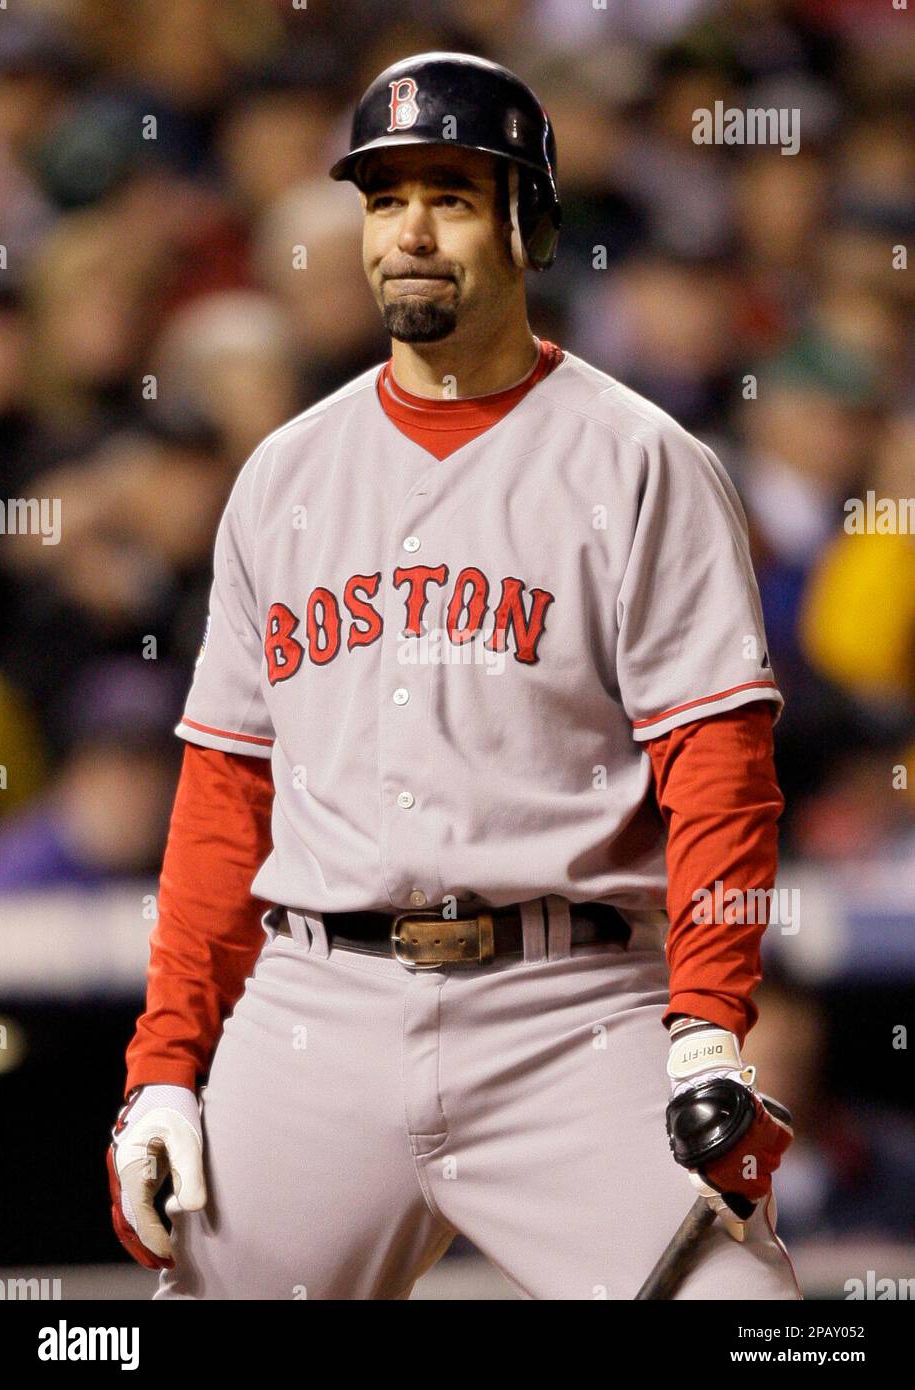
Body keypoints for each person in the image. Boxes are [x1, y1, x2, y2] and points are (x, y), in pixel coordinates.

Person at [108, 53, 800, 1300]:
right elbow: (223, 797)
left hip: (571, 1006)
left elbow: (721, 776)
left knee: (753, 1324)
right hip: (317, 1004)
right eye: (384, 200)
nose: (410, 232)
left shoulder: (643, 460)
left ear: (527, 225)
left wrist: (707, 1025)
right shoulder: (283, 476)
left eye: (452, 195)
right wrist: (163, 1066)